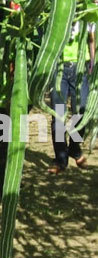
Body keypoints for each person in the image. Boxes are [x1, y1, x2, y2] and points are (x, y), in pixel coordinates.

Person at [48, 23, 92, 174]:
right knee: (58, 115)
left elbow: (91, 39)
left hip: (80, 68)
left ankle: (74, 148)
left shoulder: (87, 12)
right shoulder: (57, 6)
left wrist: (93, 64)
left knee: (81, 112)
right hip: (59, 67)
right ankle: (61, 158)